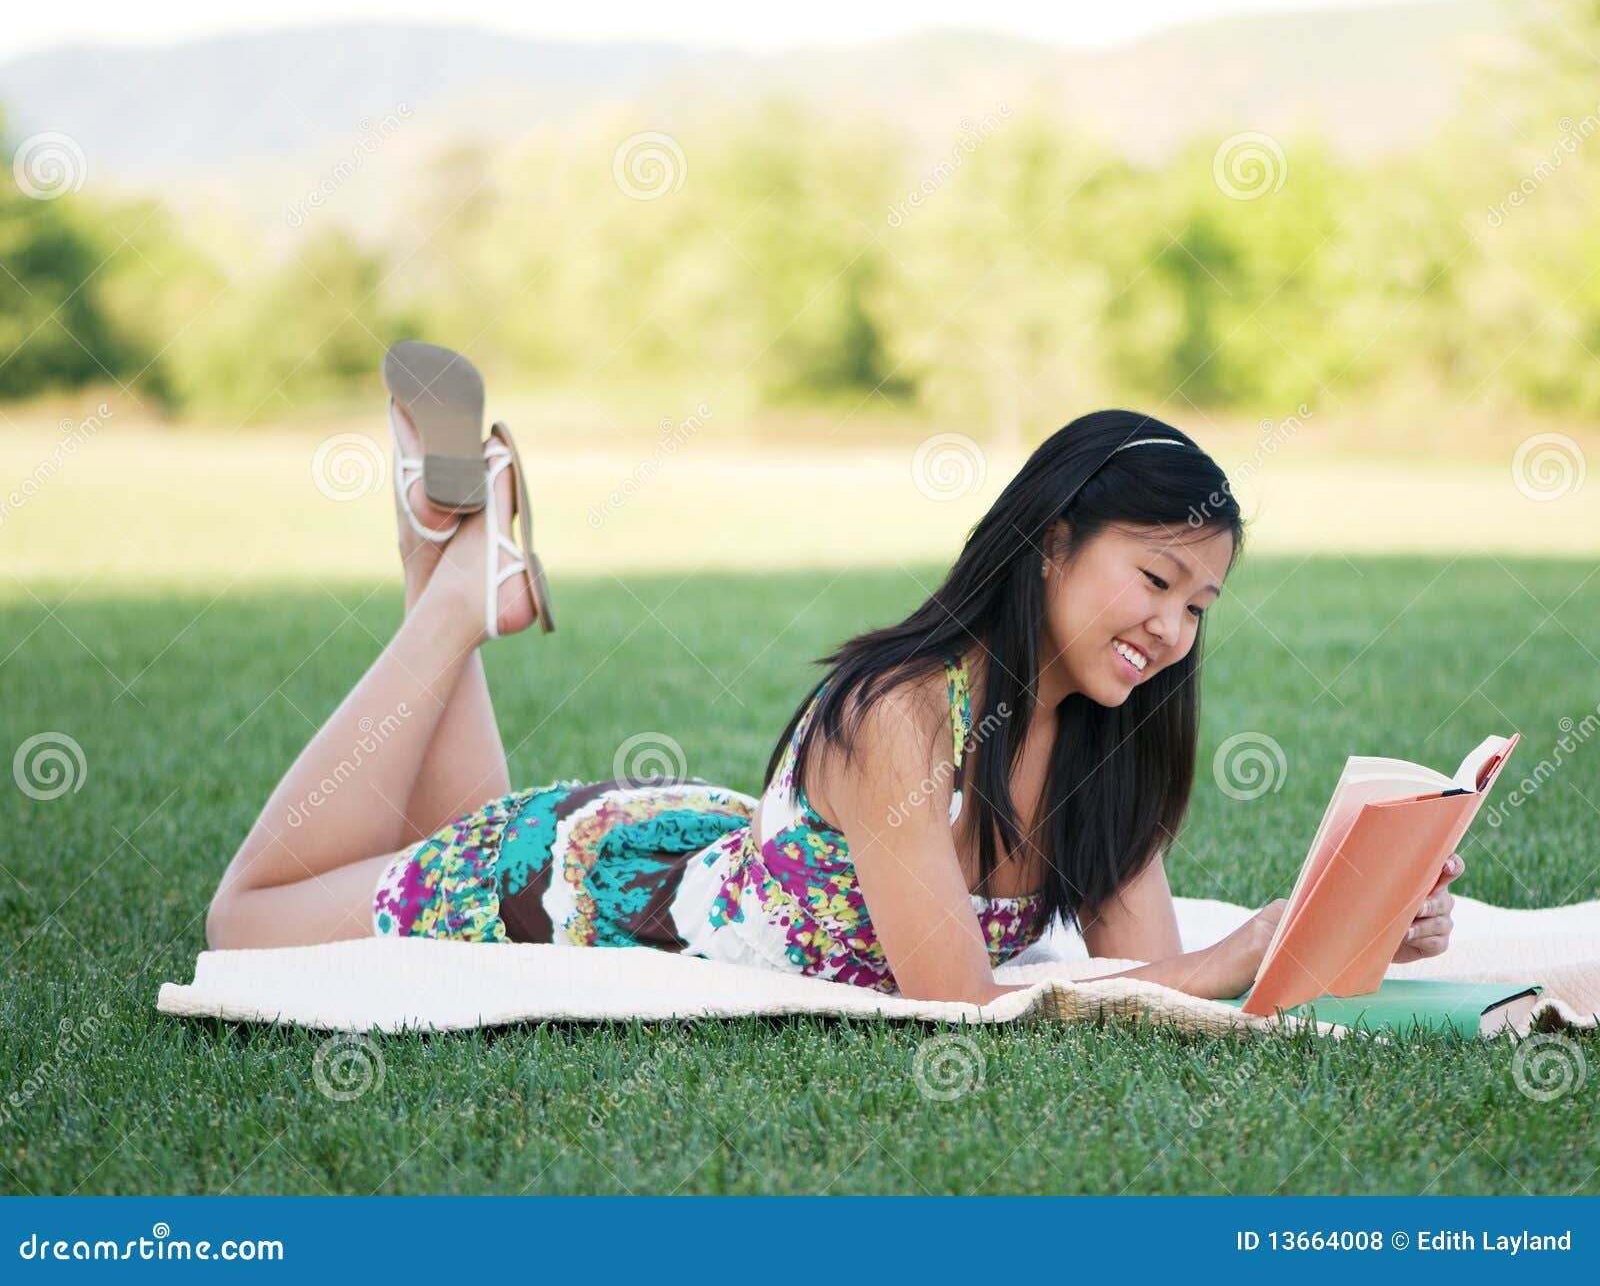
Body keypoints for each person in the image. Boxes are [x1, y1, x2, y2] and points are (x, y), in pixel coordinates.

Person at [204, 350, 1462, 1006]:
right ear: (1052, 544)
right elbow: (960, 999)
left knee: (428, 825)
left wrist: (1329, 926)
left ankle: (448, 547)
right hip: (577, 883)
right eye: (1153, 578)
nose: (1173, 628)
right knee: (245, 925)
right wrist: (1242, 946)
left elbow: (1149, 980)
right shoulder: (903, 714)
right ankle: (461, 591)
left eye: (1200, 603)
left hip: (687, 849)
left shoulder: (1107, 747)